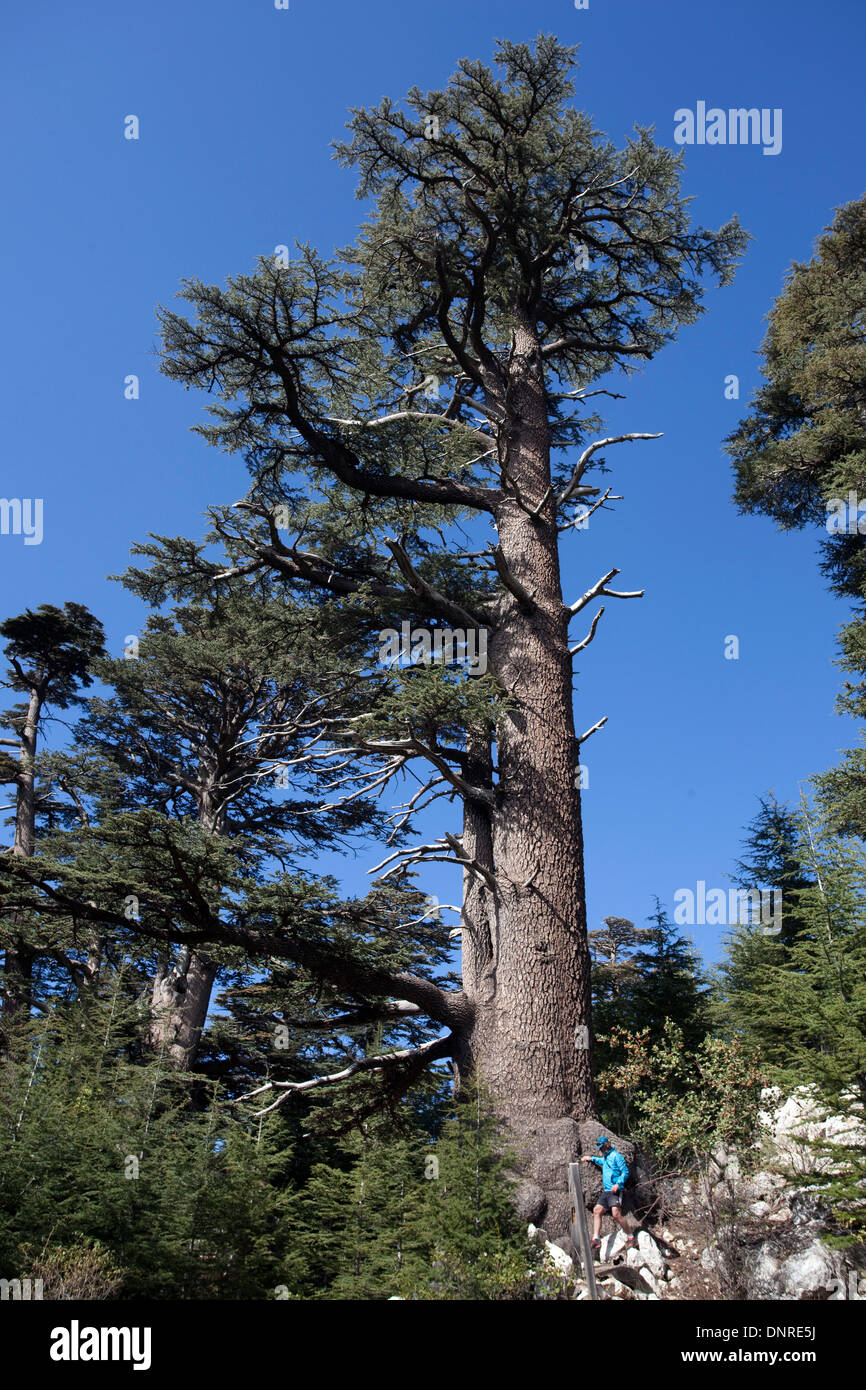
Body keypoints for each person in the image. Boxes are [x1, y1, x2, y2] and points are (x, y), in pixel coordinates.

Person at [581, 1135, 636, 1254]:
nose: (601, 1149)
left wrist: (618, 1183)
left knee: (616, 1214)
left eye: (602, 1147)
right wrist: (590, 1158)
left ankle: (630, 1236)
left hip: (615, 1190)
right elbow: (600, 1161)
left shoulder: (616, 1156)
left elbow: (625, 1172)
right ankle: (596, 1238)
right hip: (606, 1191)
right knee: (597, 1210)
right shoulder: (605, 1158)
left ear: (607, 1144)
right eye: (600, 1148)